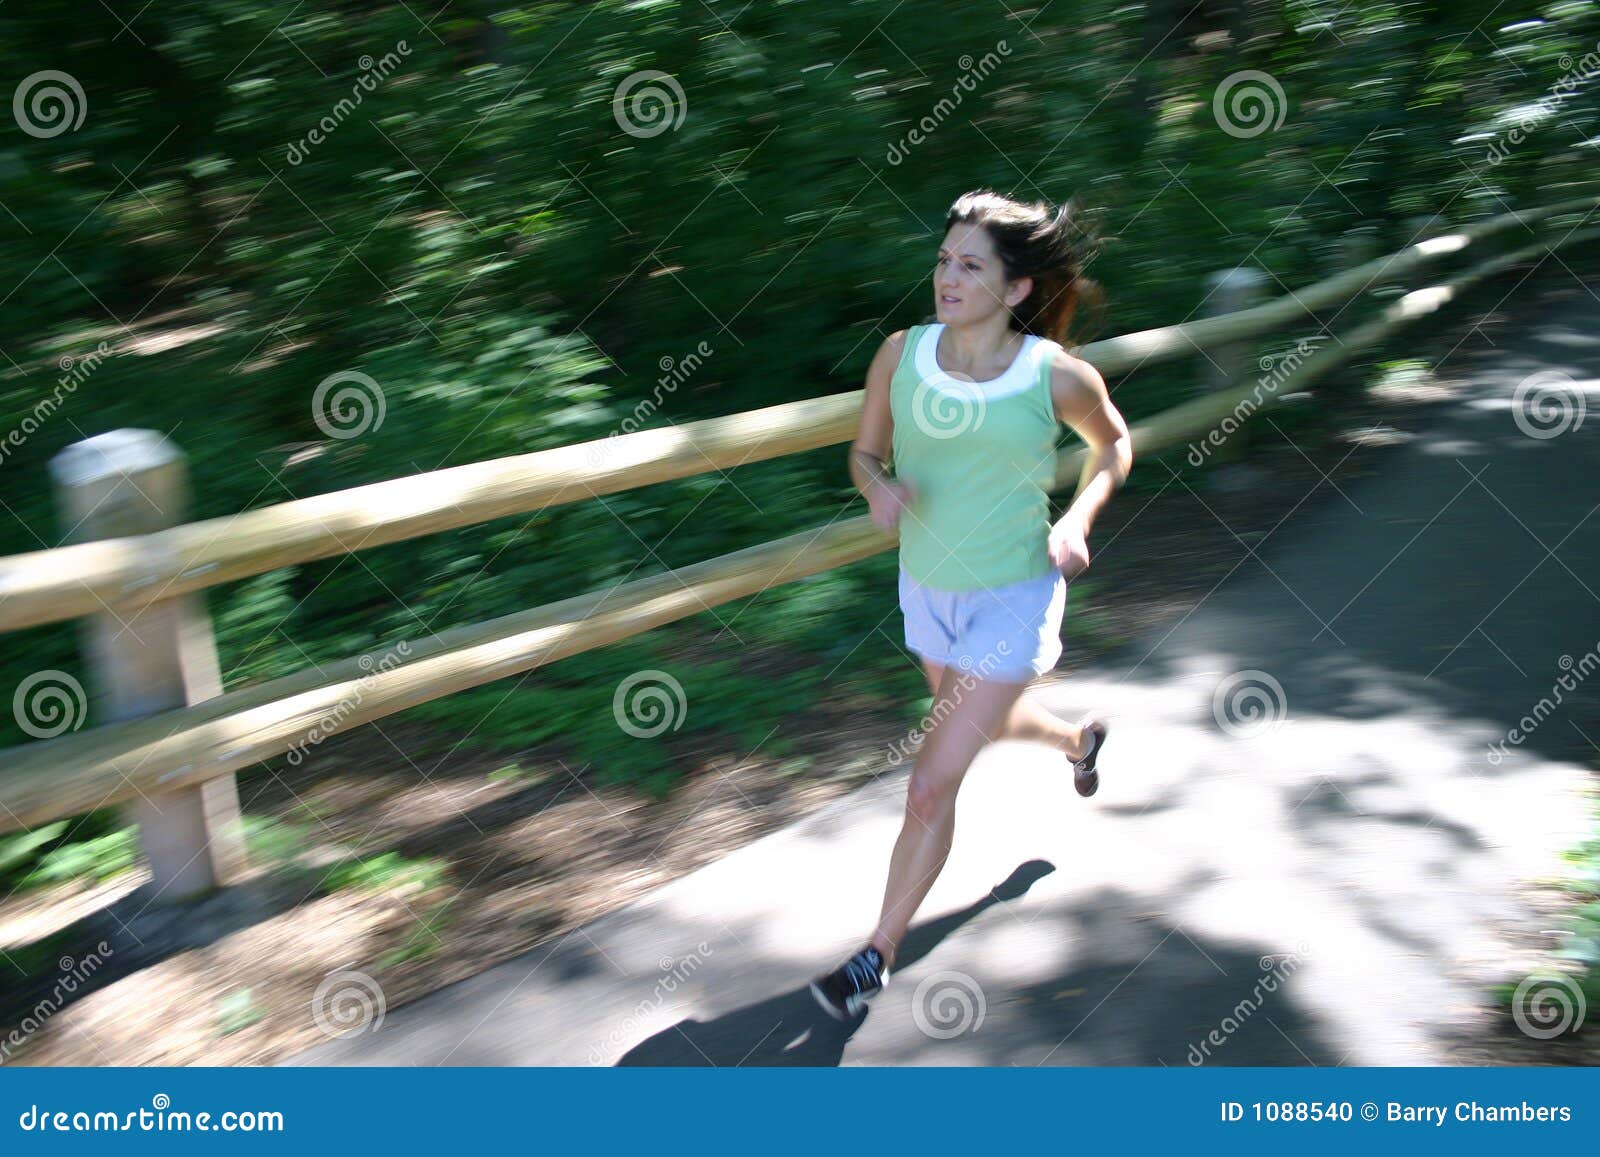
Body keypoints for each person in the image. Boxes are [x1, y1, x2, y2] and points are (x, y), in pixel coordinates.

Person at [809, 189, 1133, 1022]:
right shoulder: (900, 354)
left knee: (930, 783)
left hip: (1014, 595)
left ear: (1017, 288)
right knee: (980, 727)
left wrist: (1077, 516)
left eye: (970, 265)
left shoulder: (1055, 375)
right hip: (927, 590)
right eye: (944, 260)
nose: (947, 277)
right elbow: (864, 451)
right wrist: (878, 488)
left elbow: (1114, 446)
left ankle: (874, 954)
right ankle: (1077, 738)